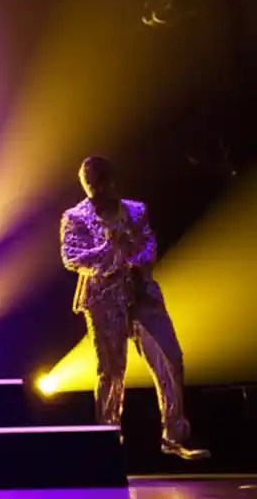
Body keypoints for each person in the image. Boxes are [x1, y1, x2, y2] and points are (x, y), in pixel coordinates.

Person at [60, 156, 209, 459]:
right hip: (103, 299)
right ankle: (108, 440)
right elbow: (72, 257)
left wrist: (133, 262)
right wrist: (109, 249)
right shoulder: (75, 217)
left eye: (103, 183)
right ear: (88, 186)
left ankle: (174, 435)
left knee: (170, 357)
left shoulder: (136, 210)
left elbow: (149, 245)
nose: (100, 189)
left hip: (141, 294)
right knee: (111, 371)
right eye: (93, 185)